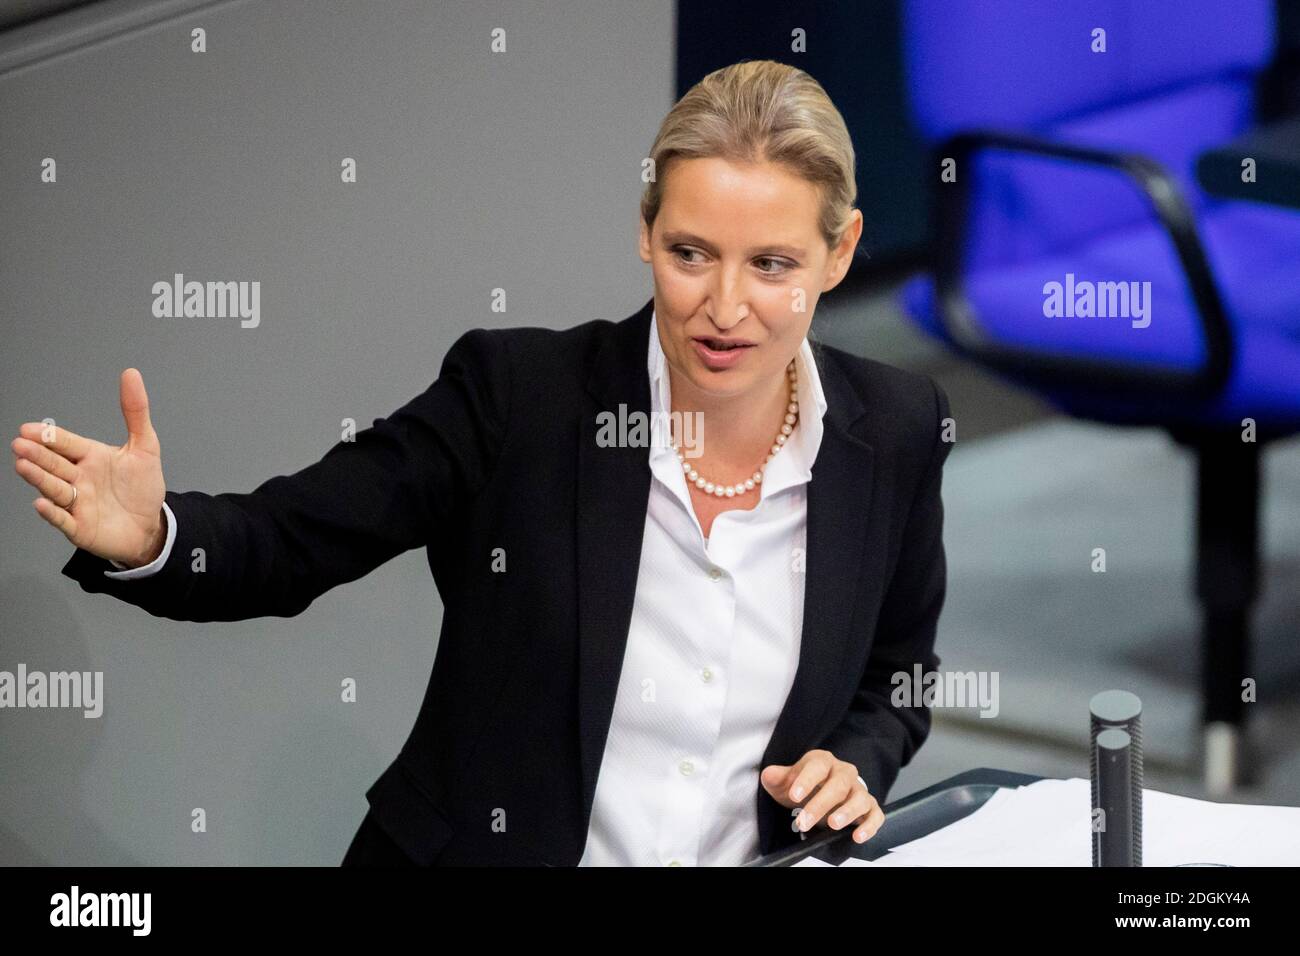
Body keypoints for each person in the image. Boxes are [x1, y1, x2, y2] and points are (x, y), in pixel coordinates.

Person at [10, 59, 953, 866]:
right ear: (644, 231)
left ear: (841, 253)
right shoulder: (518, 397)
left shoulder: (899, 430)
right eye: (691, 252)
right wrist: (158, 537)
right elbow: (292, 536)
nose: (725, 304)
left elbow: (896, 677)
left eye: (774, 265)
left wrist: (856, 762)